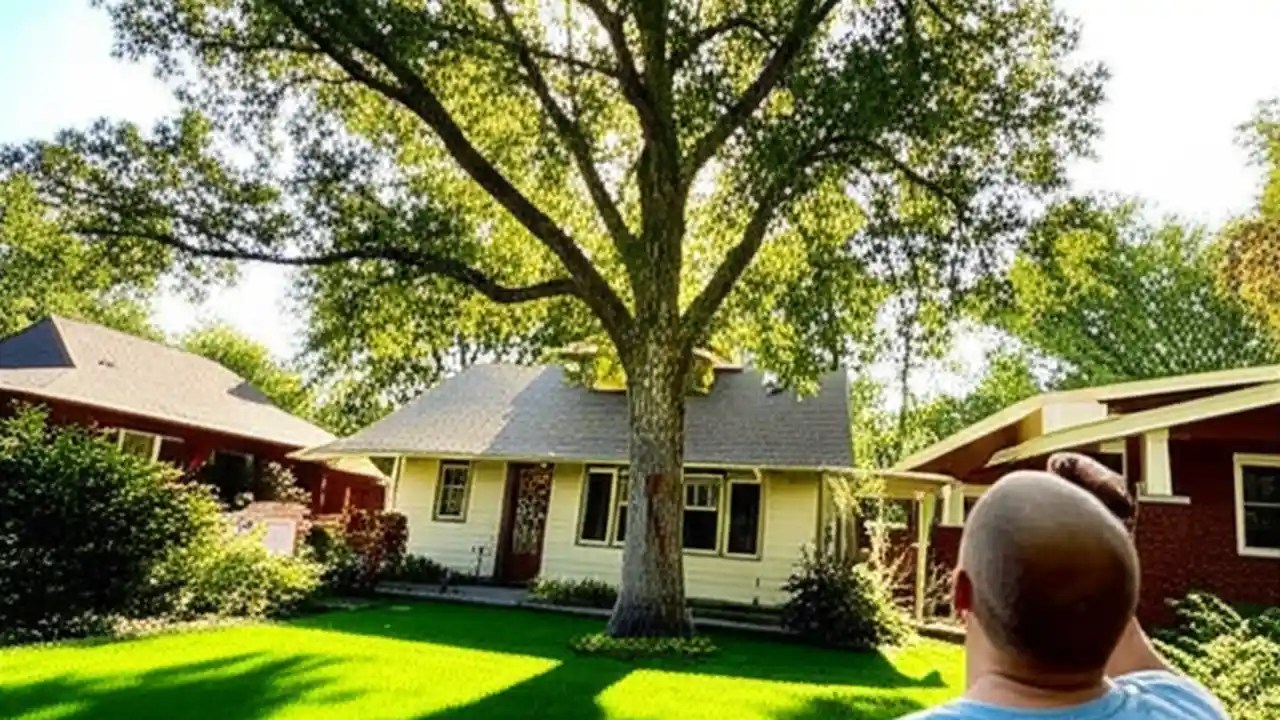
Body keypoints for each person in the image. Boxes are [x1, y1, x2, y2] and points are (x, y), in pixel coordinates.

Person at [903, 452, 1226, 719]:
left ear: (960, 593)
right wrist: (1096, 542)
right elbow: (1136, 650)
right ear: (1124, 603)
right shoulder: (1185, 709)